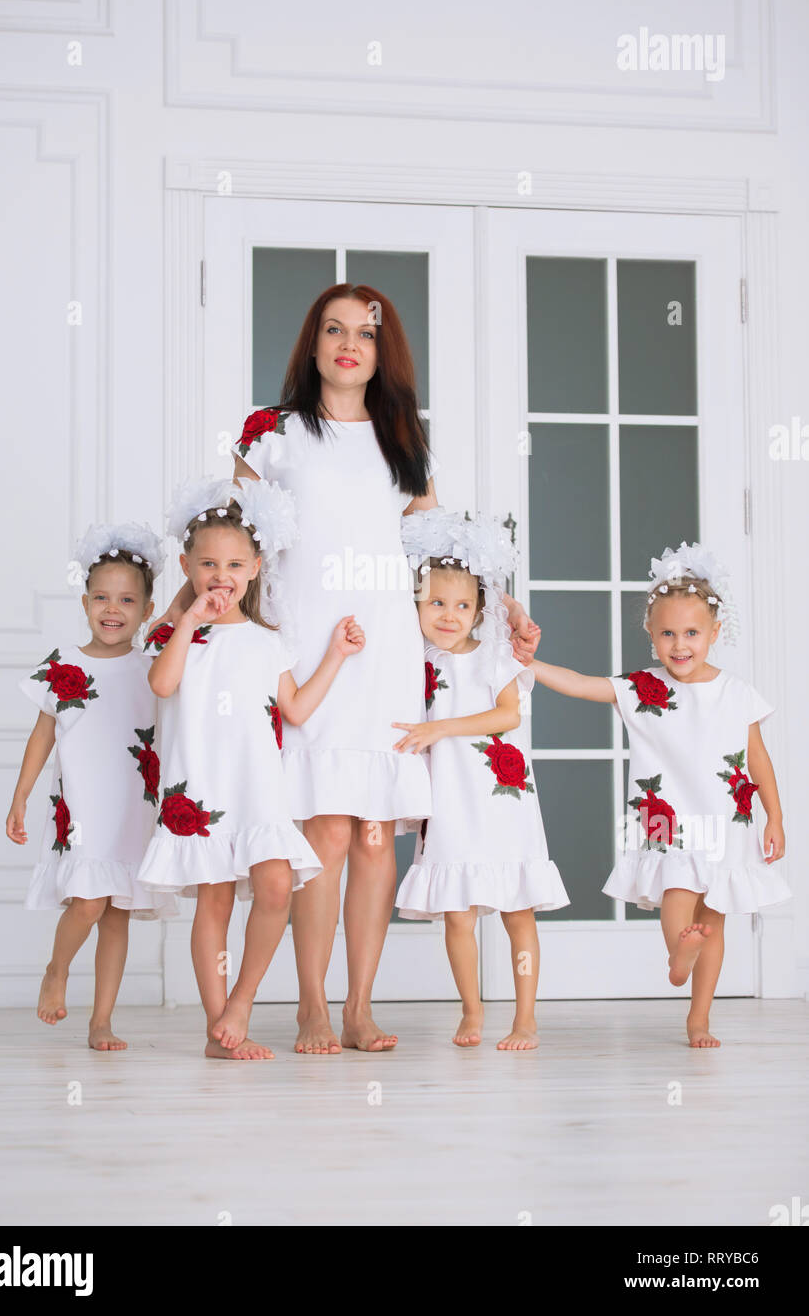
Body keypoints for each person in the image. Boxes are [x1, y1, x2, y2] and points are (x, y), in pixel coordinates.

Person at [156, 283, 540, 1053]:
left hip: (386, 650)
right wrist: (176, 616)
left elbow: (443, 546)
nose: (347, 344)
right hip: (306, 646)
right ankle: (311, 1007)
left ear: (381, 351)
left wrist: (506, 607)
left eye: (364, 334)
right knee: (324, 828)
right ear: (311, 341)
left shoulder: (403, 440)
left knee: (371, 834)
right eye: (332, 329)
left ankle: (359, 1006)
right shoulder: (272, 434)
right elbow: (228, 539)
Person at [137, 476, 364, 1059]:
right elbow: (161, 683)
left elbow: (296, 709)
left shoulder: (269, 640)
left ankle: (241, 1002)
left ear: (257, 567)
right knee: (213, 901)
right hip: (203, 786)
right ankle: (218, 1030)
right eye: (208, 563)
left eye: (235, 564)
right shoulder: (173, 634)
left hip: (258, 788)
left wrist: (335, 657)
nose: (222, 575)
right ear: (187, 566)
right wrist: (186, 621)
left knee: (276, 886)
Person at [530, 541, 790, 1048]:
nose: (679, 644)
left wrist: (774, 817)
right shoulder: (643, 687)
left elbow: (757, 759)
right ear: (651, 635)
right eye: (667, 633)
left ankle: (699, 1017)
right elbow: (583, 684)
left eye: (691, 633)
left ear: (715, 633)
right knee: (677, 892)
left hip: (725, 818)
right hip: (663, 817)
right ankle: (678, 958)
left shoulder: (737, 693)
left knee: (713, 919)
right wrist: (532, 667)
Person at [392, 508, 568, 1049]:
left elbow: (507, 716)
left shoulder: (495, 656)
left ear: (479, 610)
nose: (449, 615)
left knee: (517, 909)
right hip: (449, 800)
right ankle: (471, 1012)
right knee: (457, 914)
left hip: (500, 801)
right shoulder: (411, 657)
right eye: (436, 602)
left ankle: (525, 1017)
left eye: (463, 605)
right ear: (417, 604)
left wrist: (442, 728)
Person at [6, 523, 174, 1050]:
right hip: (82, 805)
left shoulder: (153, 666)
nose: (112, 608)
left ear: (147, 610)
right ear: (84, 602)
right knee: (87, 902)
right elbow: (42, 735)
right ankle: (58, 969)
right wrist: (21, 796)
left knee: (117, 912)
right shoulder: (64, 664)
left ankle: (101, 1019)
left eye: (127, 599)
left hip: (133, 806)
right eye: (101, 597)